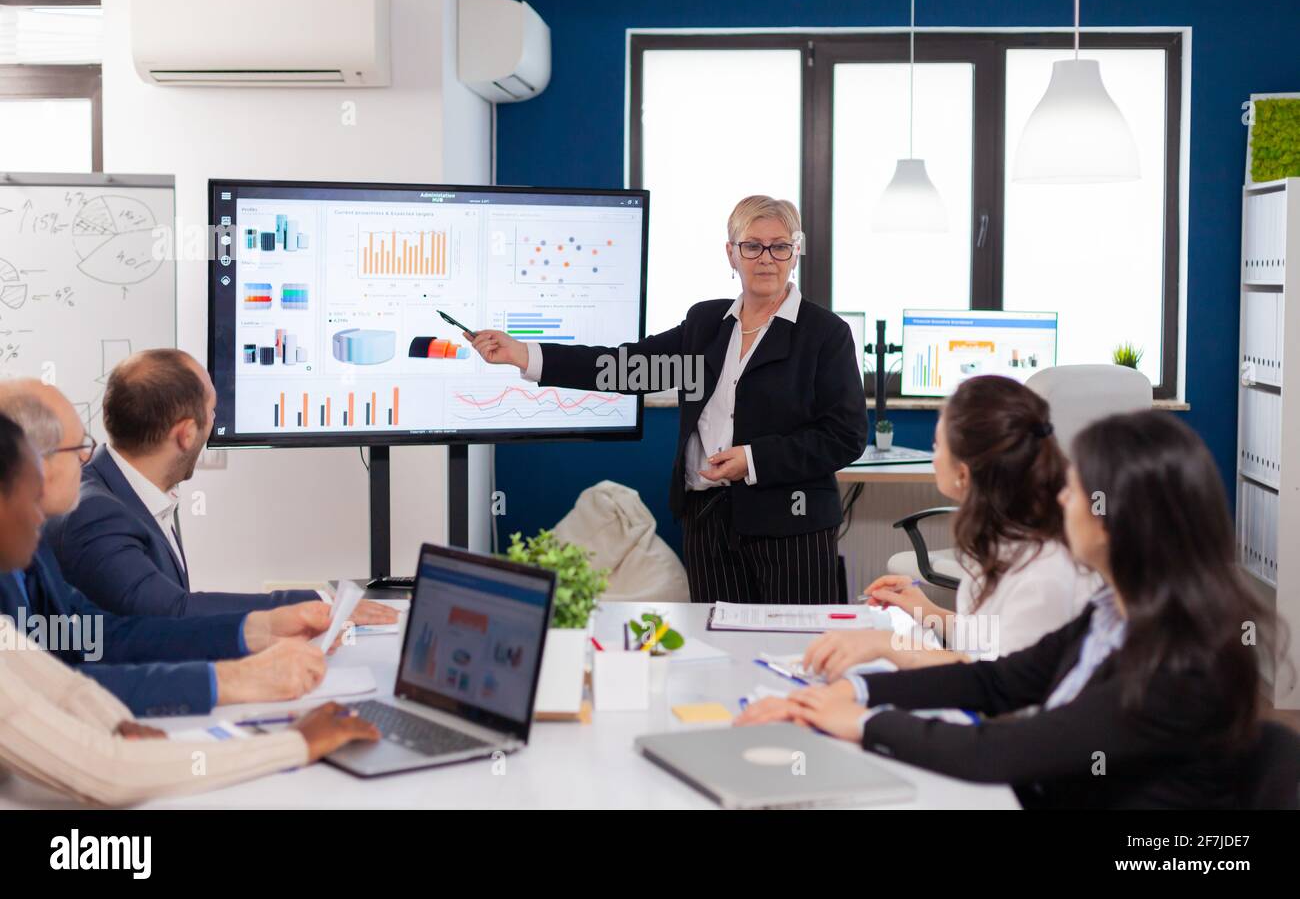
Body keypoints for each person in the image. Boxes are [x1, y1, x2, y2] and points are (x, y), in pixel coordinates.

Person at [738, 410, 1288, 808]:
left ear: (1118, 516)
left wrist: (861, 720)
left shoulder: (1178, 665)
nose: (1064, 499)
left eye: (1076, 490)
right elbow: (997, 681)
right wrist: (856, 692)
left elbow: (998, 751)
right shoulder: (1110, 613)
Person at [466, 195, 869, 603]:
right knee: (721, 651)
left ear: (795, 252)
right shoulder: (706, 326)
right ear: (731, 254)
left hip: (792, 528)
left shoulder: (824, 334)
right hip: (708, 522)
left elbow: (845, 435)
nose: (766, 258)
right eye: (752, 245)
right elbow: (624, 367)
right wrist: (525, 354)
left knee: (795, 652)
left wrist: (752, 459)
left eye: (780, 246)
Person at [0, 411, 381, 807]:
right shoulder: (91, 516)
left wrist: (112, 720)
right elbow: (107, 772)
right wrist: (297, 744)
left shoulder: (28, 557)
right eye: (28, 496)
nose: (38, 515)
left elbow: (63, 676)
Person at [0, 380, 370, 715]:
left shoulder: (30, 547)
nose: (87, 460)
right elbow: (36, 693)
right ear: (31, 462)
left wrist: (258, 628)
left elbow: (99, 636)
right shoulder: (88, 514)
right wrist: (236, 679)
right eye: (79, 448)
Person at [44, 349, 390, 622]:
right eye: (211, 412)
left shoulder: (129, 489)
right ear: (186, 433)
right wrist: (320, 605)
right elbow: (171, 614)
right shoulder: (95, 514)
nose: (215, 422)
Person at [802, 375, 1097, 678]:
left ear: (964, 474)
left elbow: (1000, 684)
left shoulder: (1044, 571)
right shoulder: (1009, 536)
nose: (933, 456)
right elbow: (992, 638)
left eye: (936, 445)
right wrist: (925, 611)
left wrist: (889, 644)